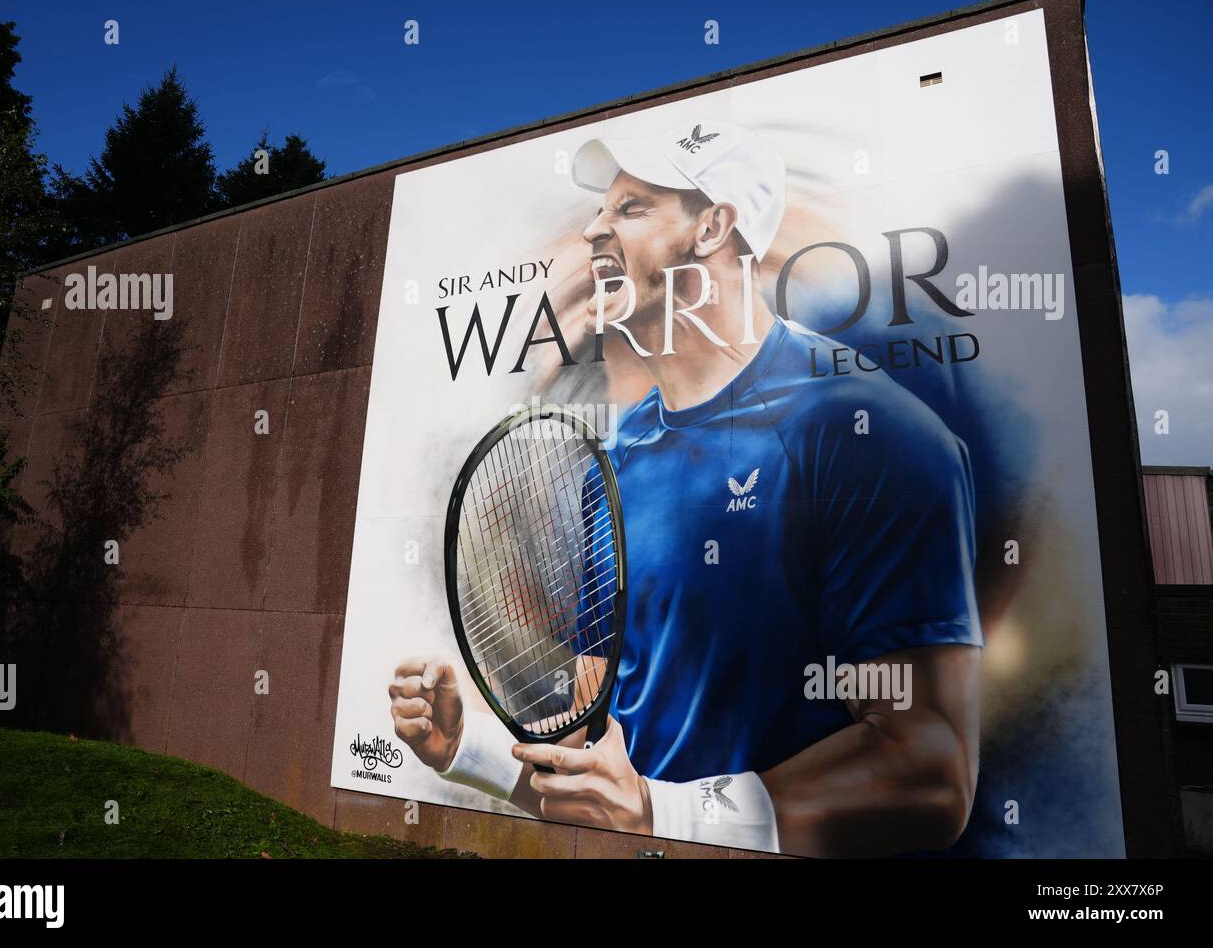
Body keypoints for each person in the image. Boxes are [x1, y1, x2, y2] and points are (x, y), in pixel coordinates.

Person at [390, 120, 983, 856]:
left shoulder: (872, 431)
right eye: (600, 210)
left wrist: (661, 816)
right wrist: (464, 750)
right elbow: (595, 765)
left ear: (714, 227)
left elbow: (929, 766)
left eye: (631, 209)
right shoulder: (616, 453)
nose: (594, 230)